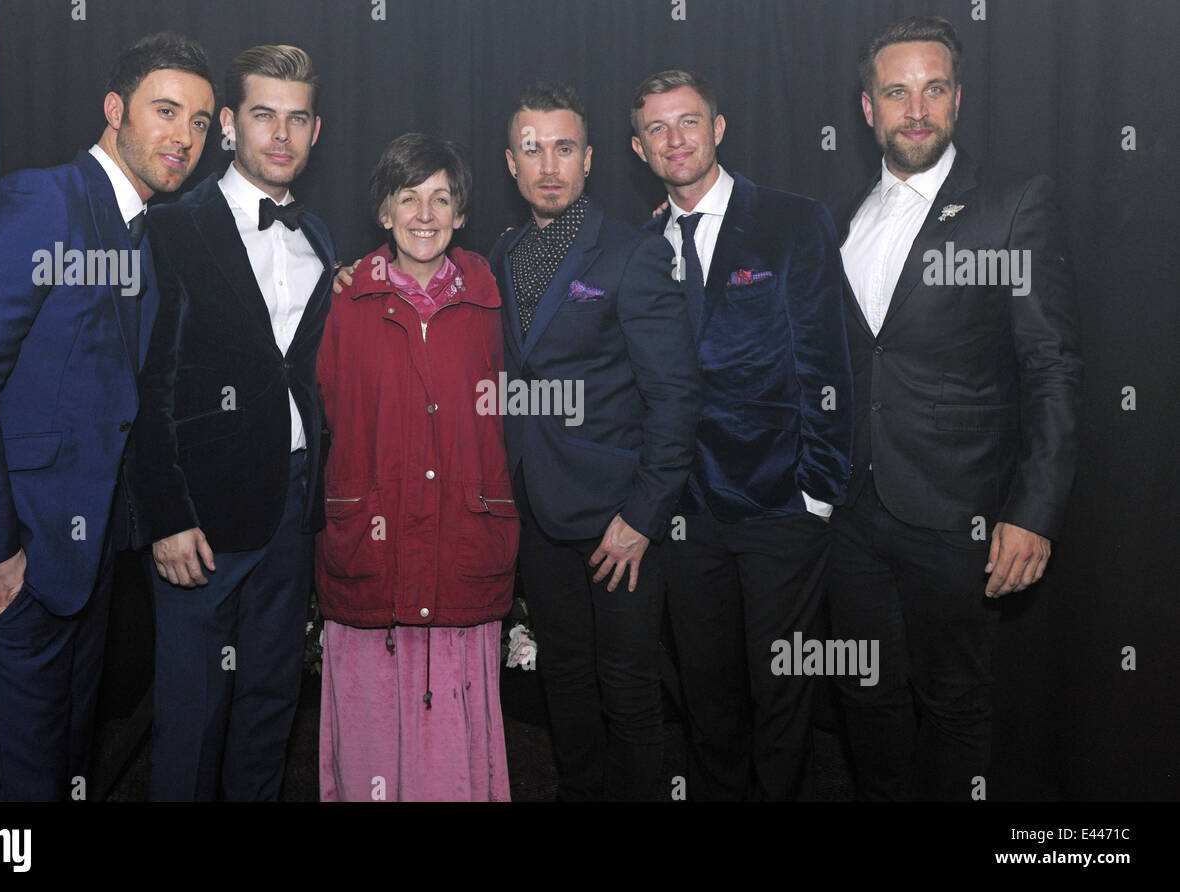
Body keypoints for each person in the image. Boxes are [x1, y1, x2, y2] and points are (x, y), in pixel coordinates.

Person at [0, 33, 214, 801]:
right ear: (115, 111)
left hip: (79, 571)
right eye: (167, 111)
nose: (184, 137)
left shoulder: (138, 234)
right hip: (10, 568)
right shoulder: (41, 199)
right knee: (16, 790)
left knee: (61, 774)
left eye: (202, 123)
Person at [830, 15, 1082, 800]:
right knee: (863, 699)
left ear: (958, 100)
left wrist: (1034, 511)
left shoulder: (1012, 205)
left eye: (932, 90)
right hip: (850, 512)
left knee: (954, 704)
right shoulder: (844, 215)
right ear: (867, 109)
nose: (915, 109)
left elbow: (1051, 367)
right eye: (895, 91)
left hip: (957, 513)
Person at [631, 70, 854, 801]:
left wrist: (818, 492)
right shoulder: (638, 245)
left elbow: (827, 361)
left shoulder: (793, 219)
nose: (676, 140)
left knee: (782, 695)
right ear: (639, 148)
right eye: (658, 129)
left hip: (779, 505)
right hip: (686, 512)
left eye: (689, 122)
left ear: (718, 129)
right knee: (707, 694)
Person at [123, 45, 334, 801]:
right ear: (231, 127)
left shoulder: (322, 240)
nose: (281, 134)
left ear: (316, 131)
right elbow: (146, 386)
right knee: (191, 712)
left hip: (292, 508)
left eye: (297, 118)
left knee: (270, 701)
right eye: (263, 115)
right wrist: (167, 516)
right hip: (200, 519)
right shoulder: (173, 227)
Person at [490, 83, 701, 801]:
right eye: (531, 149)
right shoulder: (502, 249)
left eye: (564, 148)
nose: (548, 165)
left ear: (589, 160)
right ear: (511, 164)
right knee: (565, 678)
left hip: (619, 521)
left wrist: (643, 518)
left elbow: (675, 398)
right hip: (537, 512)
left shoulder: (631, 253)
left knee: (630, 690)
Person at [316, 133, 515, 802]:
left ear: (461, 214)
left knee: (451, 751)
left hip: (463, 546)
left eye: (441, 198)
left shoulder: (494, 298)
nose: (424, 214)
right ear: (383, 210)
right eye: (409, 197)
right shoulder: (339, 300)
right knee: (372, 736)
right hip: (373, 549)